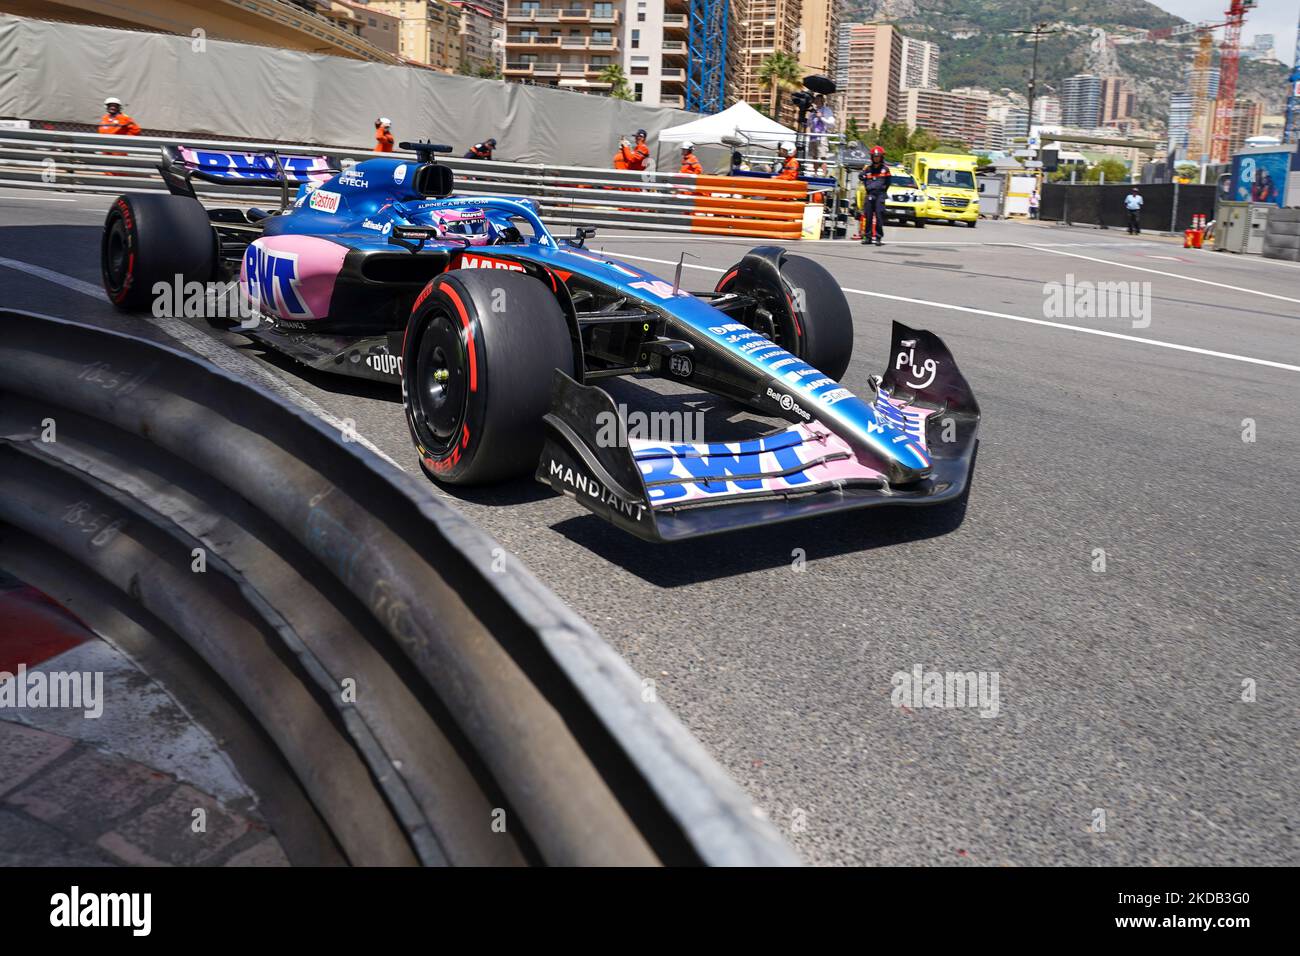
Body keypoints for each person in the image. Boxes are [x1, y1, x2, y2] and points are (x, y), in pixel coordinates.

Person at [858, 145, 890, 246]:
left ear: (881, 157)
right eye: (875, 156)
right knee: (868, 216)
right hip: (870, 194)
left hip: (880, 195)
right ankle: (867, 237)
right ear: (872, 157)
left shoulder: (885, 169)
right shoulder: (868, 169)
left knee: (879, 216)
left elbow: (888, 183)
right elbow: (862, 177)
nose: (876, 158)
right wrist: (862, 175)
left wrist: (882, 192)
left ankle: (878, 237)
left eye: (878, 156)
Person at [808, 94, 835, 162]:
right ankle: (815, 172)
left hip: (822, 137)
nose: (816, 101)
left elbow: (831, 123)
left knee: (823, 157)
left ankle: (824, 172)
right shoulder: (813, 111)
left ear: (822, 100)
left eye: (818, 99)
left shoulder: (826, 110)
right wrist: (809, 120)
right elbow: (809, 124)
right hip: (813, 136)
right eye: (815, 99)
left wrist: (821, 117)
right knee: (814, 157)